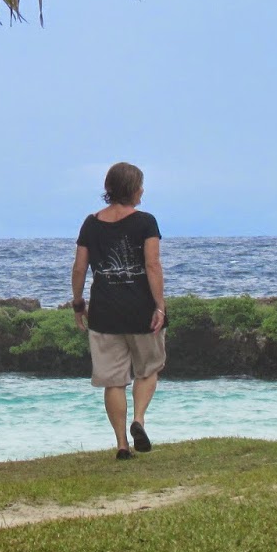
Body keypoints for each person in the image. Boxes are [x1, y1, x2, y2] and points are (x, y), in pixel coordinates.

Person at [71, 161, 165, 459]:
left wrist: (78, 303)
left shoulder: (91, 223)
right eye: (140, 185)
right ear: (133, 189)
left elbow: (79, 268)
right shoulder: (146, 221)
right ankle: (139, 419)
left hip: (104, 311)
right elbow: (152, 265)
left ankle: (122, 444)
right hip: (141, 310)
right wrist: (160, 306)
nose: (142, 190)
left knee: (113, 381)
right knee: (148, 370)